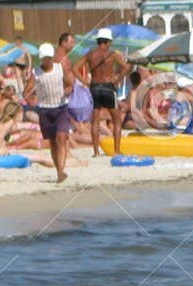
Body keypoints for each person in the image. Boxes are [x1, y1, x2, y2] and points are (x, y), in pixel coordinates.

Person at [31, 35, 74, 182]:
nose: (47, 60)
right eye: (44, 58)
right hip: (45, 110)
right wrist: (31, 99)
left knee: (61, 138)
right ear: (41, 58)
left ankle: (61, 171)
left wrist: (67, 91)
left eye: (49, 57)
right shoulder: (36, 73)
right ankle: (58, 171)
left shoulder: (60, 68)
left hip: (61, 108)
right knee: (53, 143)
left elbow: (70, 84)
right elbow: (27, 91)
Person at [78, 29, 126, 156]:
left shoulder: (90, 54)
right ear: (108, 42)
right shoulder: (112, 54)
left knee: (95, 120)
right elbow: (127, 66)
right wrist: (118, 80)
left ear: (98, 41)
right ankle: (116, 151)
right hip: (108, 86)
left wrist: (85, 82)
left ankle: (96, 152)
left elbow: (74, 68)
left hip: (94, 86)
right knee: (117, 120)